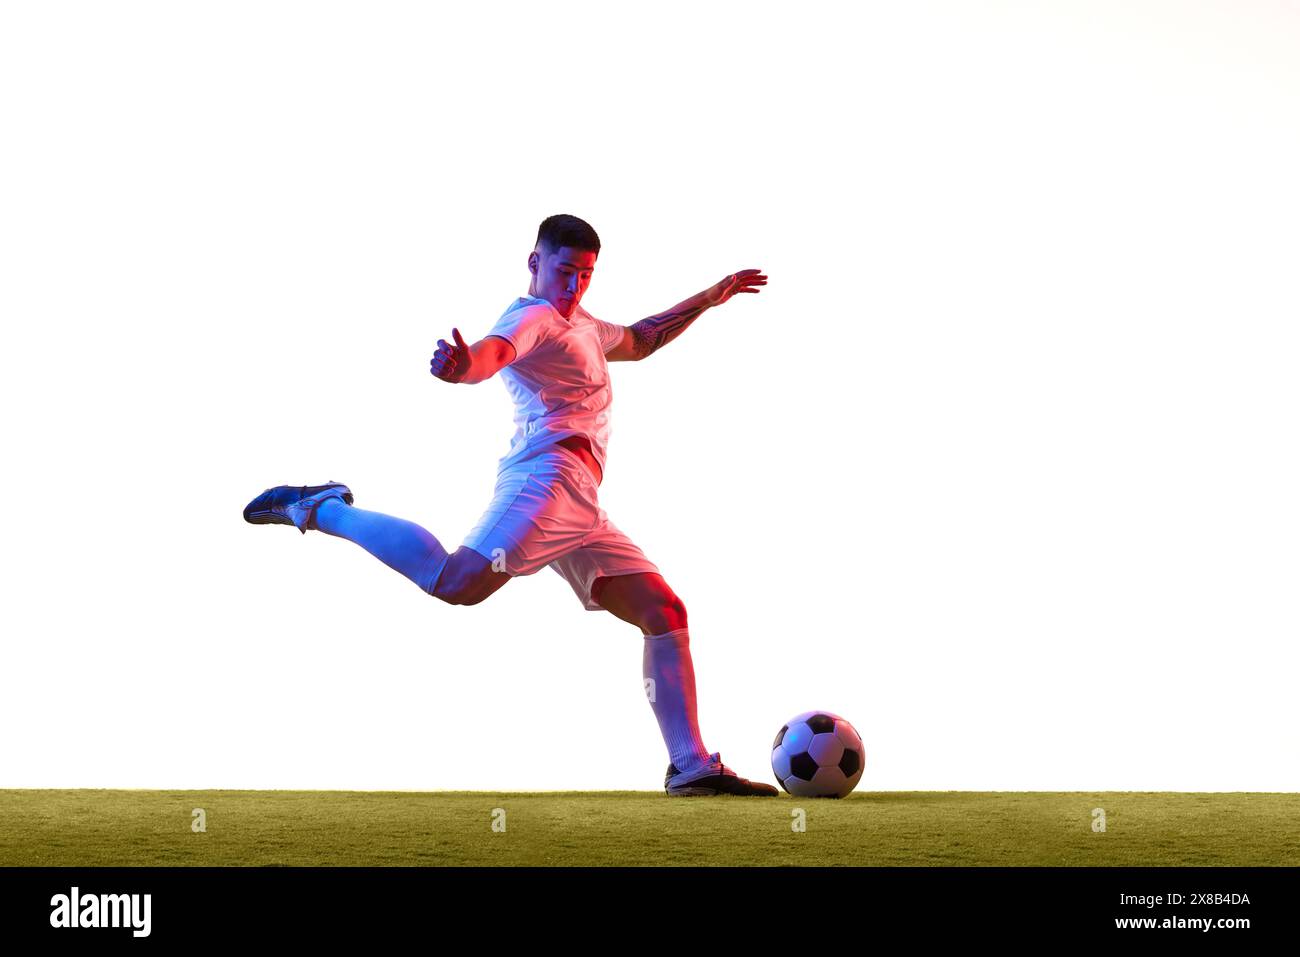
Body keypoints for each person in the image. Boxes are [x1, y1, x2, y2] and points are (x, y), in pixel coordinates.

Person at [244, 214, 773, 796]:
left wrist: (709, 297)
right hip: (544, 486)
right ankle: (322, 508)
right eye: (565, 271)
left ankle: (691, 765)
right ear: (534, 262)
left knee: (664, 613)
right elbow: (491, 354)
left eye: (586, 275)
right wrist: (461, 368)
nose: (574, 285)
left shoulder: (585, 324)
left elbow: (642, 340)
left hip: (582, 504)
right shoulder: (532, 318)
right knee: (453, 581)